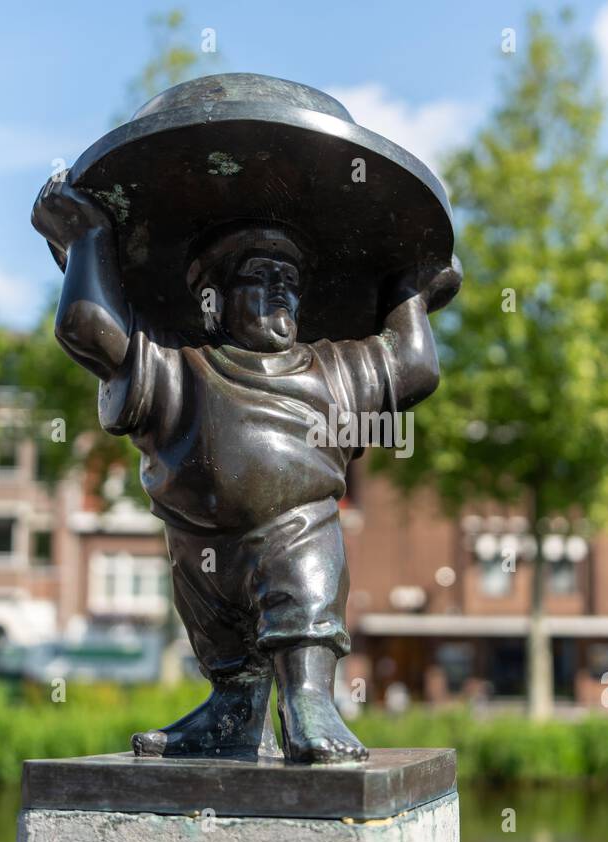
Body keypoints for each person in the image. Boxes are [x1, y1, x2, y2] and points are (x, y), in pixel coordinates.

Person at [32, 177, 460, 762]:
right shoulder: (179, 367)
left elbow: (414, 366)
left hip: (296, 532)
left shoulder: (333, 369)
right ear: (213, 299)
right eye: (259, 277)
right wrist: (89, 239)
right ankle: (234, 710)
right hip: (198, 545)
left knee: (303, 601)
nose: (280, 291)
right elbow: (88, 332)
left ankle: (309, 700)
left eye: (290, 281)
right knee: (220, 640)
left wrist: (408, 287)